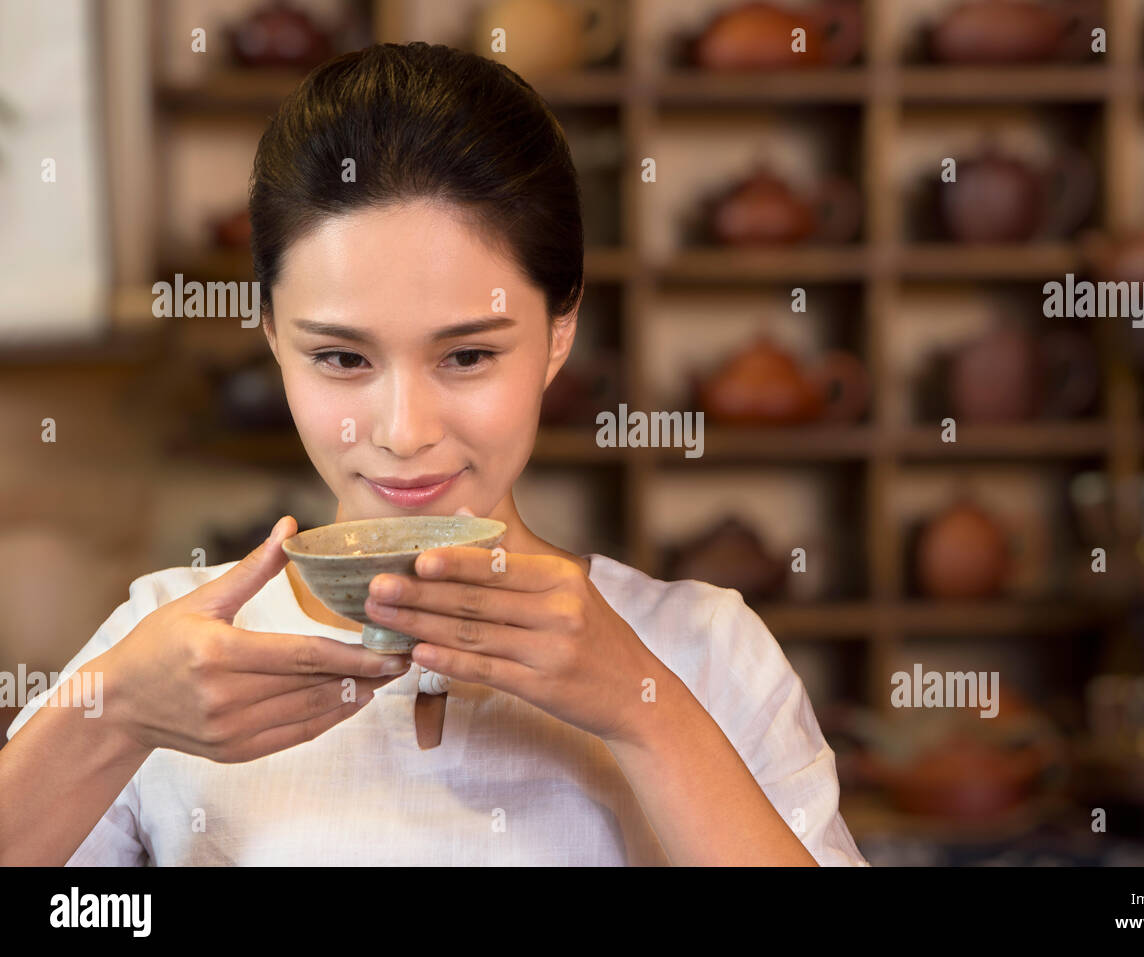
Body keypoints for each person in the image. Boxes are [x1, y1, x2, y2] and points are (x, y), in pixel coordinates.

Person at [1, 42, 866, 866]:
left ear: (560, 332)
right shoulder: (170, 647)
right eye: (342, 358)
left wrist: (644, 708)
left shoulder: (704, 650)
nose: (404, 430)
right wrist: (109, 719)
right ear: (271, 335)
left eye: (468, 356)